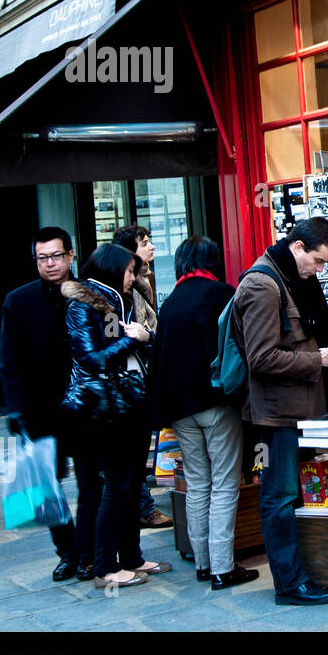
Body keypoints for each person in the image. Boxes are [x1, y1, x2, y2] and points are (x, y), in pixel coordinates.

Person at [231, 218, 328, 606]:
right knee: (280, 496)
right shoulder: (263, 284)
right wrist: (319, 359)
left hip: (303, 408)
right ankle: (289, 583)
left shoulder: (294, 277)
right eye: (317, 261)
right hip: (277, 415)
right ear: (297, 247)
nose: (319, 271)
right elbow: (261, 358)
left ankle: (309, 571)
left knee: (300, 495)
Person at [147, 236, 259, 591]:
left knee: (197, 483)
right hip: (217, 404)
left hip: (180, 410)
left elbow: (159, 361)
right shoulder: (222, 294)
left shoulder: (170, 303)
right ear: (213, 261)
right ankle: (223, 569)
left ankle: (203, 563)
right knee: (225, 484)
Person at [62, 244, 172, 590]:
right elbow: (94, 359)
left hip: (127, 405)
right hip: (104, 409)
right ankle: (106, 566)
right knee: (116, 484)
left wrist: (143, 337)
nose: (133, 278)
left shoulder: (112, 303)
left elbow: (124, 346)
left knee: (129, 484)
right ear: (112, 271)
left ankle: (133, 557)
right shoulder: (83, 305)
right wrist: (135, 339)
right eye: (129, 271)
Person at [0, 227, 99, 580]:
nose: (50, 263)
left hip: (88, 406)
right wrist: (15, 407)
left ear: (71, 255)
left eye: (56, 255)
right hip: (41, 409)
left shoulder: (90, 294)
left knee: (91, 484)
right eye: (43, 258)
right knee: (47, 486)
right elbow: (8, 360)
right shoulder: (19, 300)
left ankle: (89, 553)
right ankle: (68, 551)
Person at [111, 224, 172, 530]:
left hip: (142, 374)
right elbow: (125, 336)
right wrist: (148, 336)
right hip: (129, 379)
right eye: (145, 243)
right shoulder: (122, 292)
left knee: (139, 447)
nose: (152, 247)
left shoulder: (141, 282)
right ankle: (143, 506)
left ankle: (141, 503)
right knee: (131, 451)